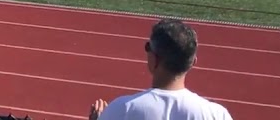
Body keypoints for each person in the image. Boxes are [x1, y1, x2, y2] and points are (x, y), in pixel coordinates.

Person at [89, 19, 232, 120]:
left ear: (155, 59)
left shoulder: (121, 109)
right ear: (192, 62)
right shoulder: (216, 115)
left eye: (148, 47)